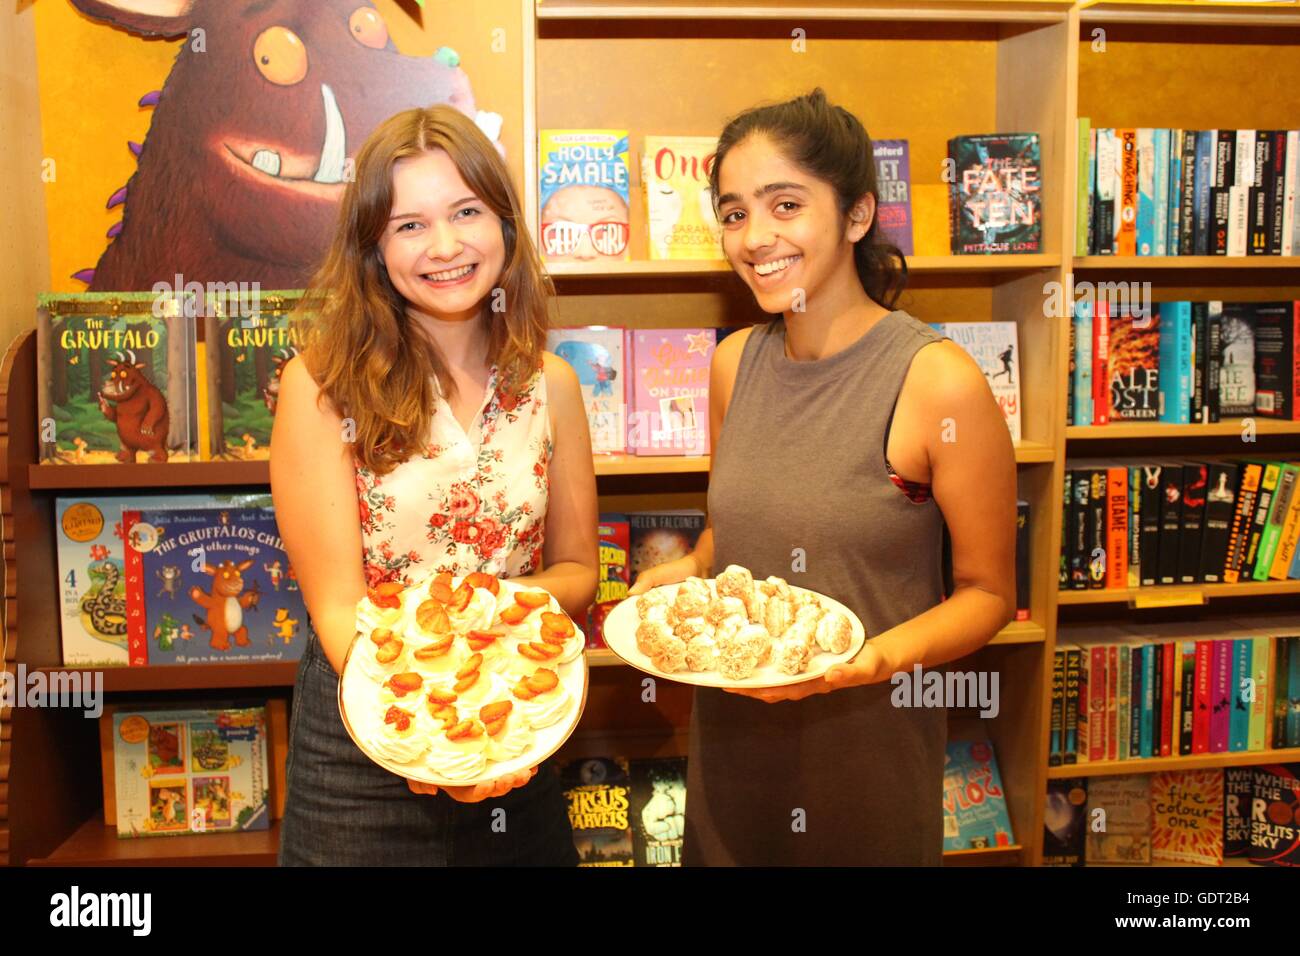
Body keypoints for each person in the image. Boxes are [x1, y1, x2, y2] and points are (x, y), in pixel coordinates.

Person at [628, 89, 1018, 865]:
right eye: (734, 213)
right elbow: (733, 532)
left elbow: (989, 595)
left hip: (865, 763)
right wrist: (685, 573)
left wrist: (864, 661)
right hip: (731, 757)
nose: (755, 237)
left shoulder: (937, 381)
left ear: (858, 214)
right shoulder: (733, 362)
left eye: (785, 204)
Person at [271, 104, 597, 866]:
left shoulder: (552, 385)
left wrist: (489, 671)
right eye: (409, 225)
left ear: (505, 225)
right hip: (363, 734)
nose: (446, 246)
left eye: (466, 212)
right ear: (373, 247)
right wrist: (435, 730)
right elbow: (340, 611)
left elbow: (579, 570)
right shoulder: (319, 386)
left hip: (517, 717)